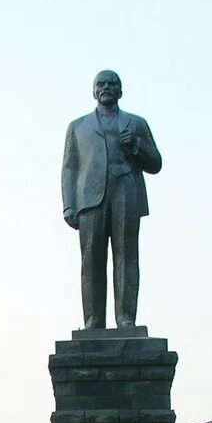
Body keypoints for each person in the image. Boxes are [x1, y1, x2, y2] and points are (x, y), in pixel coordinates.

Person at [61, 70, 162, 329]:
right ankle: (93, 322)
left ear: (120, 91)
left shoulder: (136, 124)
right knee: (91, 262)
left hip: (126, 193)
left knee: (126, 257)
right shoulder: (78, 127)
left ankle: (126, 318)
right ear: (94, 91)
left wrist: (137, 146)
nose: (107, 87)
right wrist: (69, 204)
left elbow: (156, 163)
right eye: (101, 84)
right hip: (89, 201)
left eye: (112, 84)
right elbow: (70, 167)